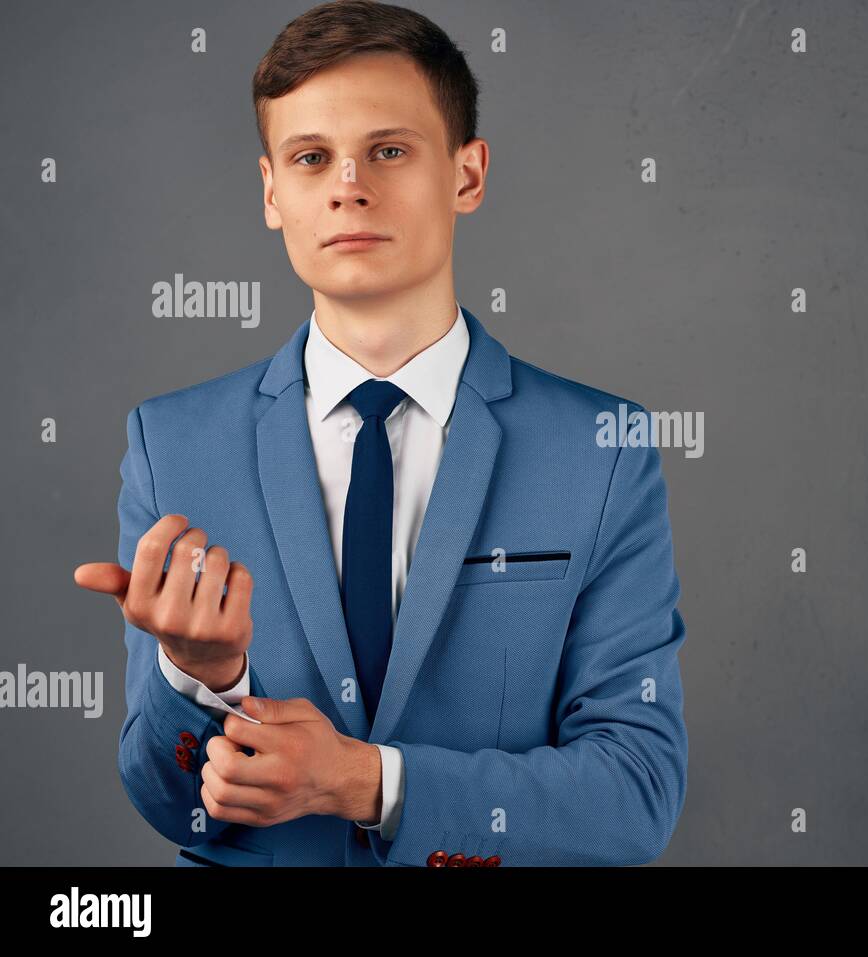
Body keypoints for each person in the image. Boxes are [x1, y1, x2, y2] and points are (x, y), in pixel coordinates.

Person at [73, 0, 688, 867]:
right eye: (312, 156)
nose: (348, 184)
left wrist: (367, 781)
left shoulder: (602, 447)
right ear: (272, 193)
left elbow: (634, 797)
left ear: (467, 175)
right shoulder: (171, 446)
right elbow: (178, 812)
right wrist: (200, 676)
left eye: (389, 150)